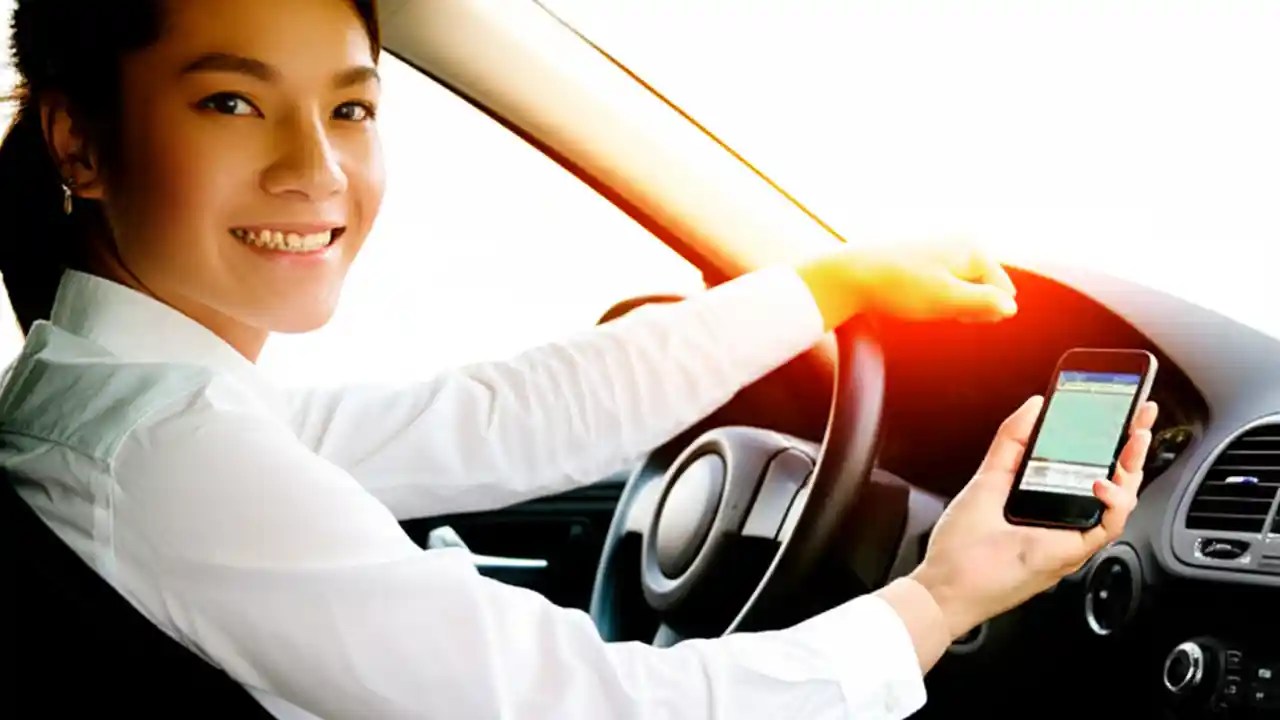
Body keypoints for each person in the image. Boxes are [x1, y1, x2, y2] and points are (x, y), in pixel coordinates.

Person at [0, 0, 1157, 718]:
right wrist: (936, 599)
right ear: (78, 141)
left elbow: (489, 419)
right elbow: (591, 709)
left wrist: (826, 287)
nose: (315, 170)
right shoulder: (168, 451)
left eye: (349, 110)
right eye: (229, 102)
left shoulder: (115, 399)